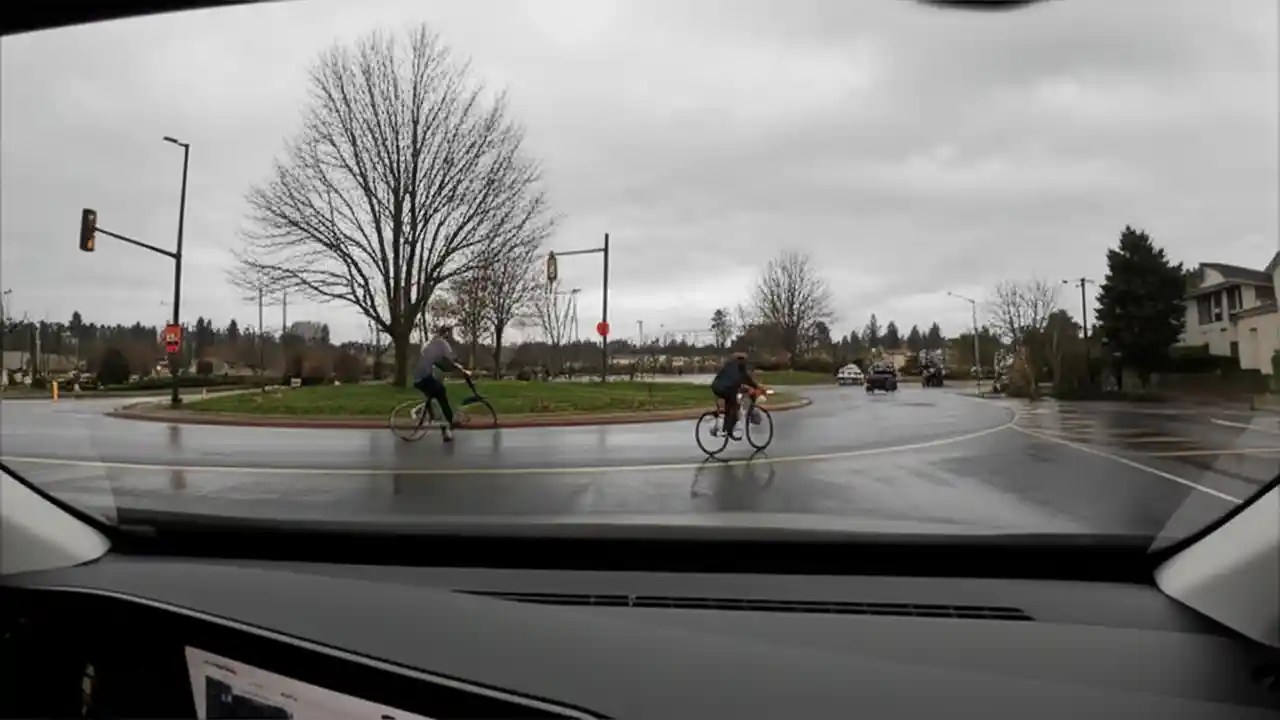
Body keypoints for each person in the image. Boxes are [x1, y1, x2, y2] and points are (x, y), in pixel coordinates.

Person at [413, 324, 471, 442]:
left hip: (420, 376)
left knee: (437, 398)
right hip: (425, 377)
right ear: (446, 334)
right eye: (450, 333)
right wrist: (463, 371)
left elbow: (440, 362)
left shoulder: (430, 342)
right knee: (441, 396)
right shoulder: (442, 344)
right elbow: (450, 361)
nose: (451, 336)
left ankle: (433, 418)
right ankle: (448, 423)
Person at [710, 352, 762, 441]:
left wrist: (755, 387)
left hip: (720, 387)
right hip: (724, 388)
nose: (745, 363)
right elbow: (744, 380)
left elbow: (744, 380)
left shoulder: (731, 366)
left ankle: (726, 428)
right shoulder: (737, 369)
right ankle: (727, 430)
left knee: (731, 406)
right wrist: (756, 388)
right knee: (733, 407)